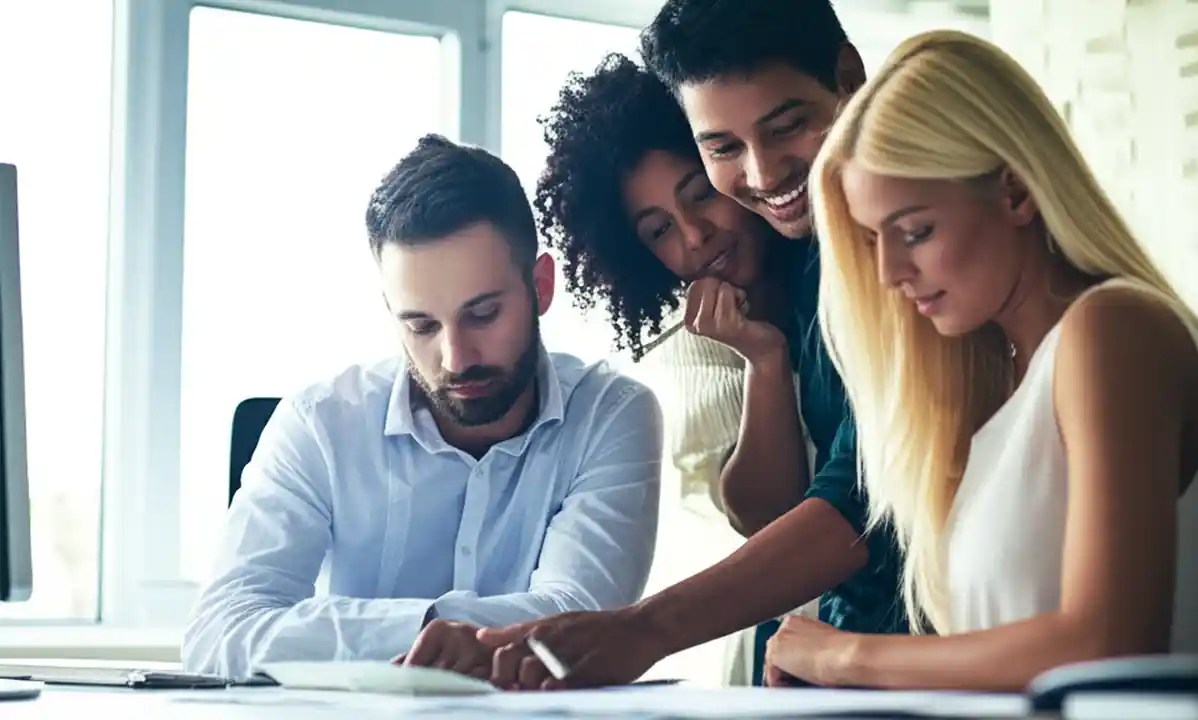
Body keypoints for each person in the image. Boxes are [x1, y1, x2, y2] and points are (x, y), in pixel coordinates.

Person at [762, 30, 1198, 691]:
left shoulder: (1113, 329)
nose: (888, 272)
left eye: (914, 232)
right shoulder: (998, 386)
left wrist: (843, 656)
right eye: (870, 239)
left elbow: (1106, 646)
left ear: (1015, 192)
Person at [465, 0, 907, 691]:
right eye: (725, 148)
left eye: (699, 196)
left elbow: (857, 503)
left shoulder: (874, 252)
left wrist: (642, 630)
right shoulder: (772, 290)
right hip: (826, 648)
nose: (760, 173)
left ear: (848, 76)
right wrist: (763, 360)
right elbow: (780, 515)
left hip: (894, 644)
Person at [182, 135, 663, 680]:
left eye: (483, 314)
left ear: (541, 286)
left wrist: (354, 632)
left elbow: (583, 622)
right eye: (421, 325)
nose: (455, 358)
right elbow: (220, 632)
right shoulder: (318, 423)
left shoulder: (612, 414)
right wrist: (429, 628)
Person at [535, 52, 807, 535]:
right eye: (660, 230)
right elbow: (764, 518)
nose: (695, 235)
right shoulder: (688, 344)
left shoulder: (835, 259)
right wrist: (764, 361)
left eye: (701, 194)